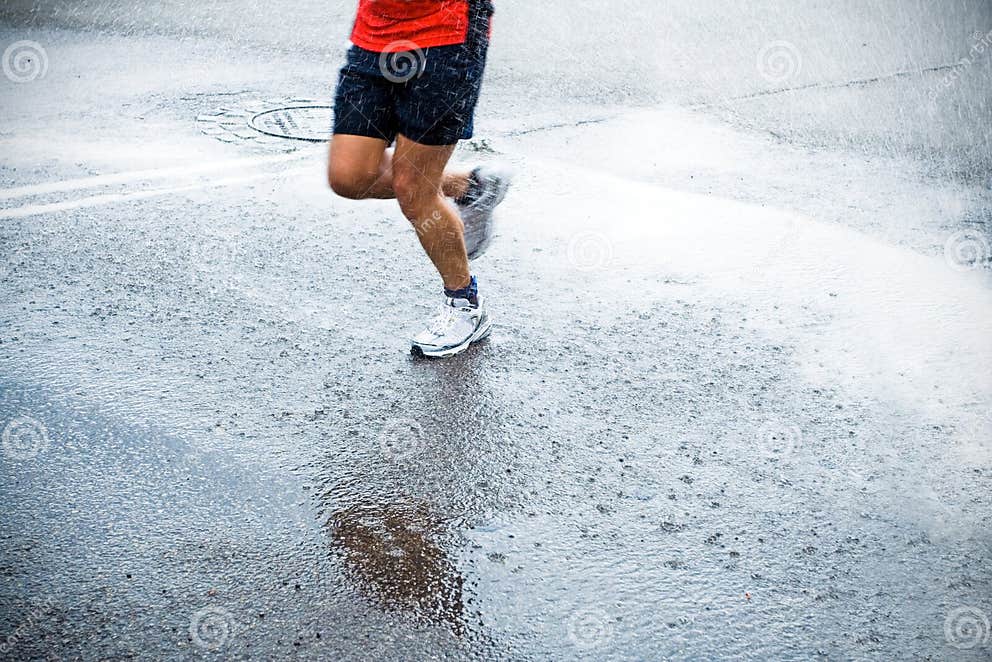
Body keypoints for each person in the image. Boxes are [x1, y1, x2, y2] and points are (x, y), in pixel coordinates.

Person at [327, 0, 511, 358]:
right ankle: (469, 188)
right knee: (349, 176)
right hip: (374, 36)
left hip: (445, 39)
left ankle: (464, 304)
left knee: (414, 190)